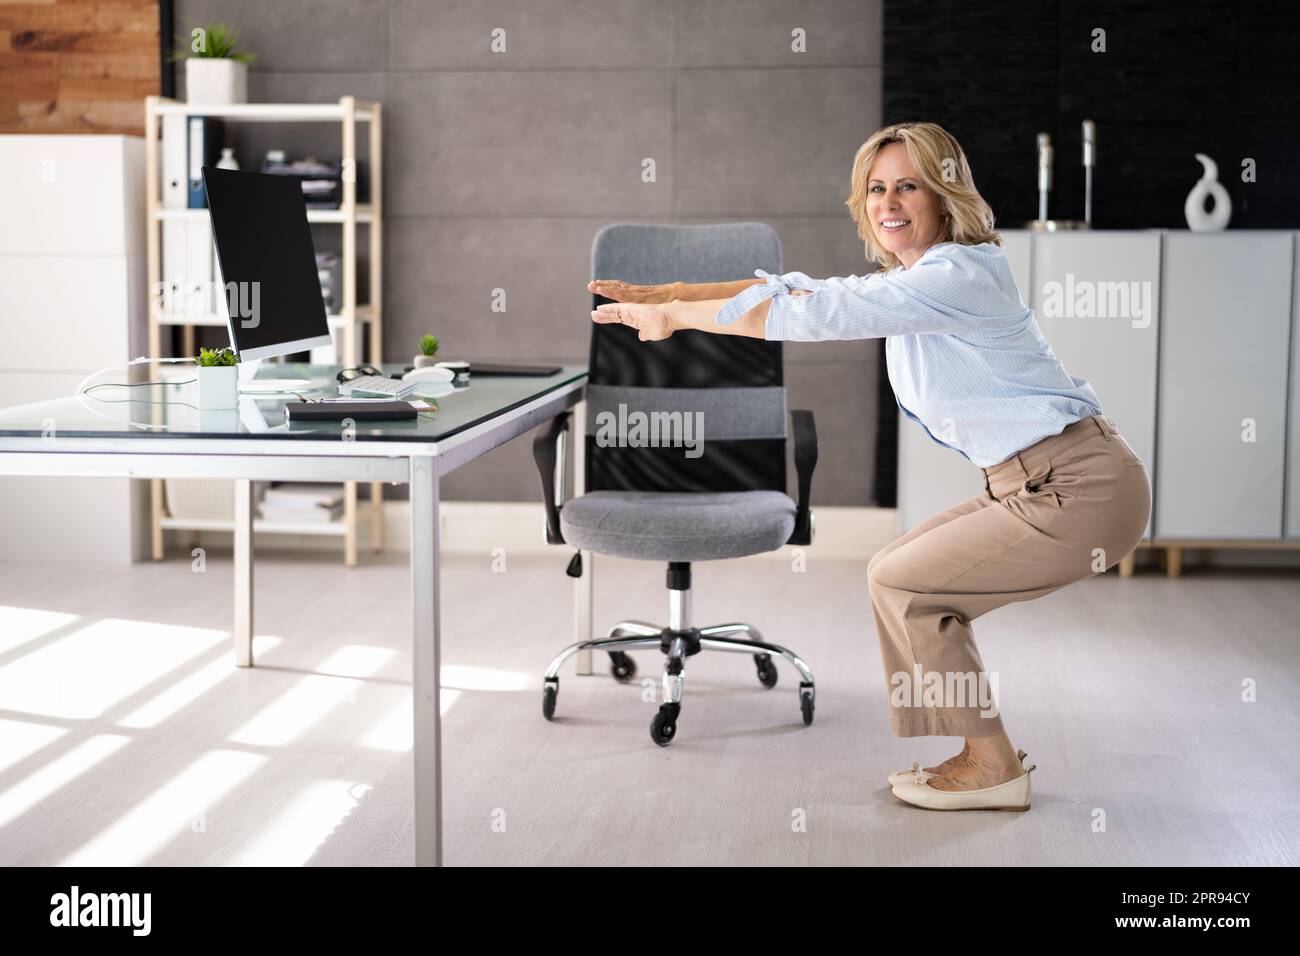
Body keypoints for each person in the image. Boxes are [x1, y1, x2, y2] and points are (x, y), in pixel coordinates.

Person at [587, 121, 1151, 812]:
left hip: (1078, 487)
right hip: (1035, 483)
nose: (889, 201)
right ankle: (985, 753)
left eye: (908, 186)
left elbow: (816, 312)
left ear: (945, 196)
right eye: (877, 188)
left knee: (905, 583)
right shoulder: (915, 280)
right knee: (900, 578)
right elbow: (797, 292)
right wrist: (670, 294)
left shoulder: (958, 274)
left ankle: (992, 763)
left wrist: (678, 318)